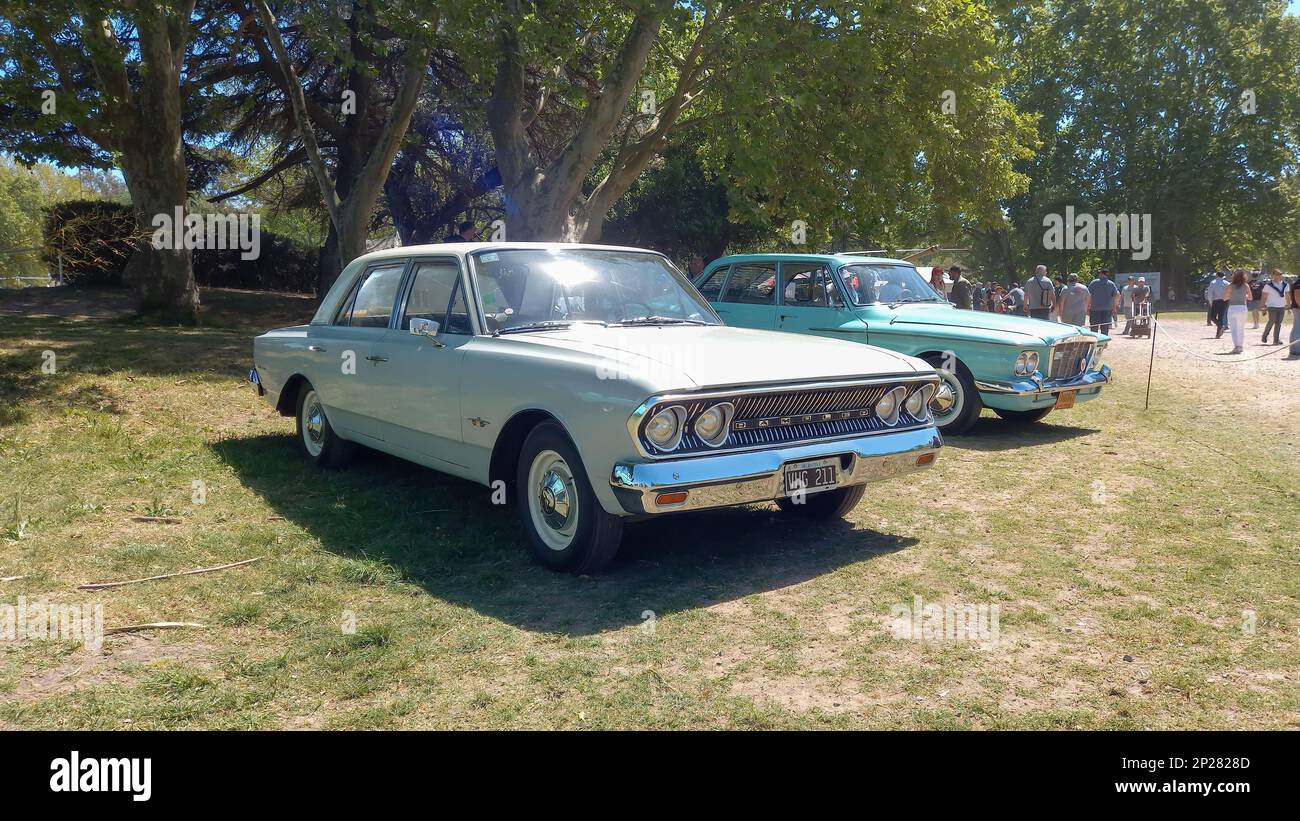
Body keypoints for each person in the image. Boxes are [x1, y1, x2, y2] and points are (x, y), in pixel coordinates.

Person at [1087, 268, 1120, 335]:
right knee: (1105, 328)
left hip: (1095, 309)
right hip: (1107, 309)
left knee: (1094, 327)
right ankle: (1104, 342)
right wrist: (1114, 308)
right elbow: (1115, 296)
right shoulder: (1111, 284)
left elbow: (1089, 296)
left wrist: (1088, 306)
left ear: (1101, 274)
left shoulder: (1094, 283)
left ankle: (1094, 342)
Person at [1261, 268, 1289, 345]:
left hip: (1281, 306)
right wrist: (1263, 307)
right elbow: (1264, 297)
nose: (1279, 276)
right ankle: (1265, 335)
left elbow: (1287, 295)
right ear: (1273, 275)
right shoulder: (1268, 285)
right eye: (1277, 274)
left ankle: (1276, 340)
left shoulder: (1285, 285)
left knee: (1278, 323)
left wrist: (1289, 305)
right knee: (1272, 321)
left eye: (1280, 274)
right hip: (1271, 306)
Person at [1225, 268, 1250, 354]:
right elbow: (1250, 297)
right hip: (1242, 307)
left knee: (1234, 328)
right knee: (1241, 328)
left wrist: (1232, 296)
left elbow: (1225, 298)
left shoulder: (1230, 286)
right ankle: (1241, 346)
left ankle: (1236, 346)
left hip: (1233, 307)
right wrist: (1244, 296)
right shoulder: (1246, 285)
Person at [1207, 270, 1230, 338]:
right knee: (1221, 316)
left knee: (1212, 316)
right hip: (1225, 301)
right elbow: (1229, 292)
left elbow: (1210, 293)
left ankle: (1220, 326)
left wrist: (1210, 301)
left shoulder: (1213, 282)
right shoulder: (1227, 283)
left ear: (1217, 275)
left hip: (1216, 300)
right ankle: (1218, 333)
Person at [1288, 274, 1300, 359]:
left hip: (1297, 307)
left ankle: (1294, 348)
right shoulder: (1298, 283)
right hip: (1298, 308)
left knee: (1296, 328)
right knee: (1297, 329)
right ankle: (1296, 349)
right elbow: (1297, 296)